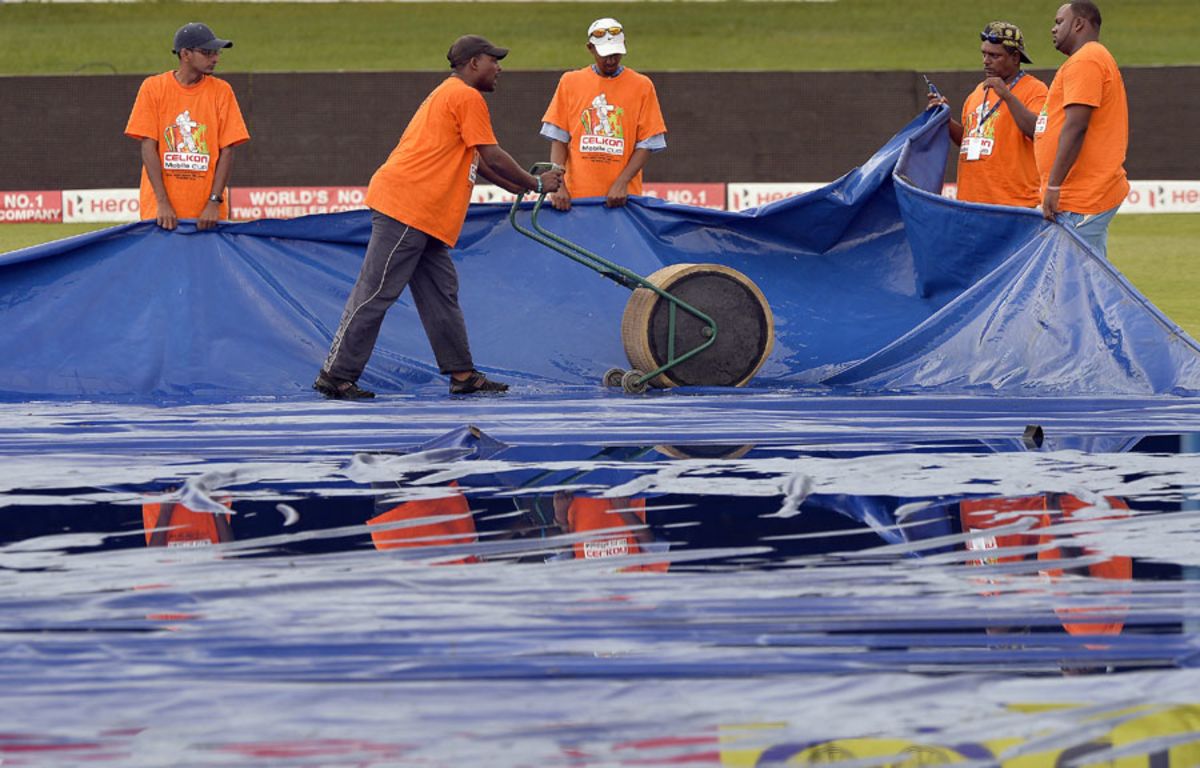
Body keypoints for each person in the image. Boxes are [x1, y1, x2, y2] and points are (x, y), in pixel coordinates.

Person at [315, 35, 563, 400]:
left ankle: (462, 374)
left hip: (424, 215)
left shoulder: (451, 94)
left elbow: (474, 157)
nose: (499, 67)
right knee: (374, 294)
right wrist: (536, 183)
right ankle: (335, 376)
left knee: (440, 295)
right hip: (408, 207)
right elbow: (491, 155)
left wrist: (517, 186)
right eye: (493, 60)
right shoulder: (466, 96)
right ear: (473, 63)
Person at [124, 22, 250, 231]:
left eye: (216, 52)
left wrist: (213, 203)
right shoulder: (153, 88)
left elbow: (227, 151)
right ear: (185, 54)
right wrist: (162, 203)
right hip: (160, 214)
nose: (215, 58)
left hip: (208, 216)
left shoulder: (222, 91)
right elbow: (148, 147)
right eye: (207, 52)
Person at [539, 18, 667, 211]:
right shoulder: (570, 82)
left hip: (623, 200)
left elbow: (648, 142)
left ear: (624, 46)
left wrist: (622, 182)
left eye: (616, 53)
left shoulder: (642, 86)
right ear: (590, 48)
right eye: (605, 54)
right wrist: (559, 184)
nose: (611, 60)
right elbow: (559, 138)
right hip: (576, 200)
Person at [1034, 1, 1129, 255]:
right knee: (1086, 283)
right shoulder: (1087, 59)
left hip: (1079, 197)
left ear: (1078, 24)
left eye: (1059, 22)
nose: (1053, 29)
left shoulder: (1086, 61)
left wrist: (1054, 186)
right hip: (1079, 196)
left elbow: (1076, 126)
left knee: (1070, 283)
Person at [928, 22, 1047, 207]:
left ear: (1015, 57)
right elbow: (968, 141)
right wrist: (945, 120)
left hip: (1013, 207)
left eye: (994, 55)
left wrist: (1006, 95)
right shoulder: (976, 93)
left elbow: (1037, 131)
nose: (986, 60)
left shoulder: (1035, 90)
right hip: (970, 205)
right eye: (984, 54)